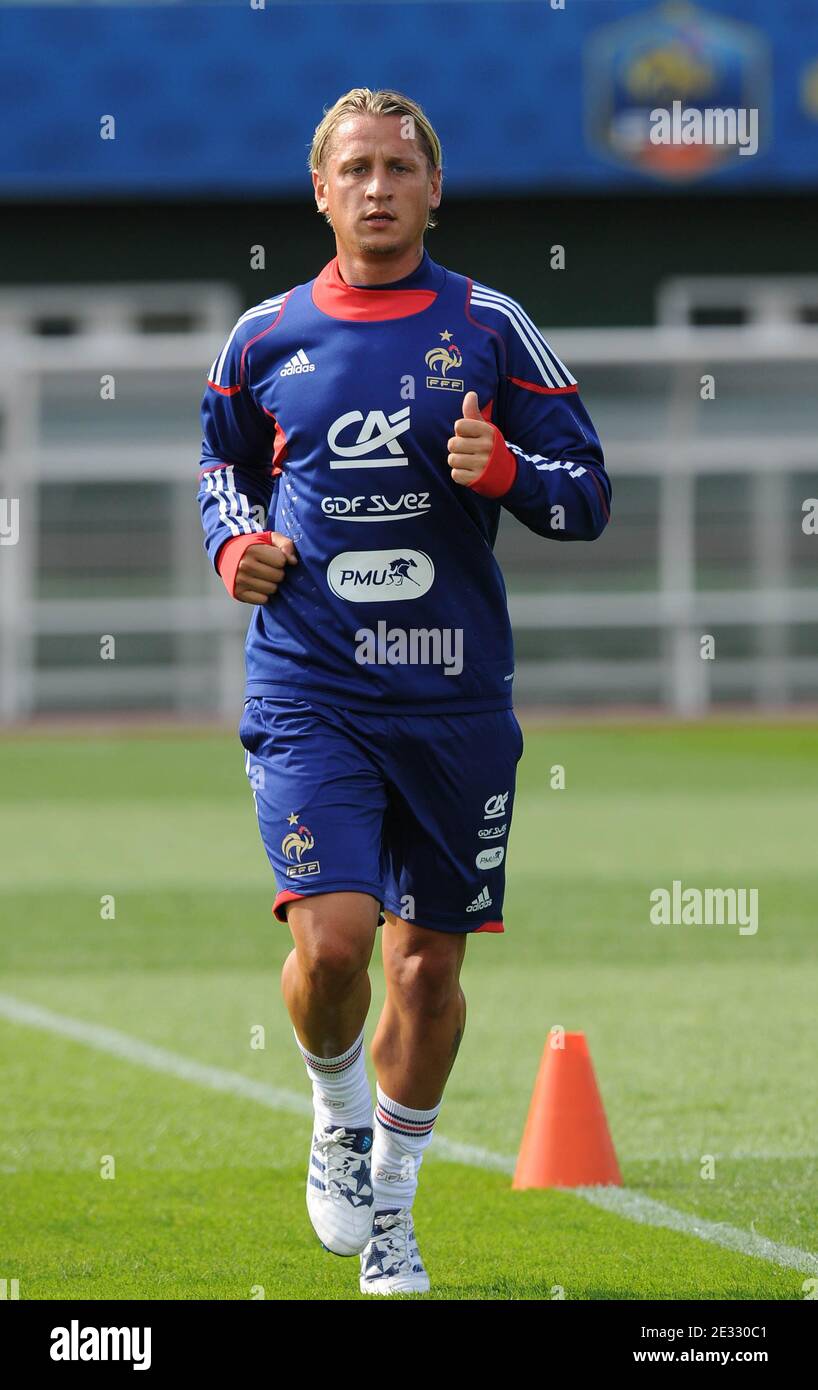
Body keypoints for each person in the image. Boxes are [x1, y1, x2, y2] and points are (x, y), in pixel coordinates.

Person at [197, 87, 611, 1297]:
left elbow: (585, 493)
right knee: (331, 943)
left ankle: (391, 1210)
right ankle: (334, 1115)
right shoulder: (262, 338)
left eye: (399, 168)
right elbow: (219, 467)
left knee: (426, 969)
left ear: (435, 189)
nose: (377, 187)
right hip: (311, 684)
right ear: (319, 192)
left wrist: (514, 471)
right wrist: (238, 546)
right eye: (355, 168)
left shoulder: (493, 325)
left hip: (454, 697)